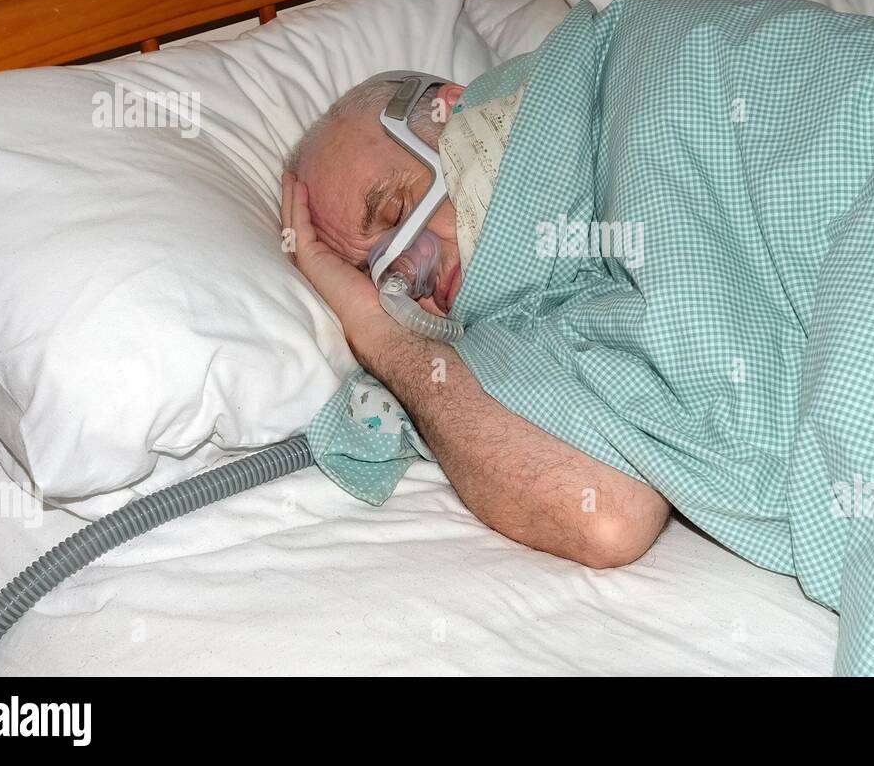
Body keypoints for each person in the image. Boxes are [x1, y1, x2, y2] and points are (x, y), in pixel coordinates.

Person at [280, 75, 671, 569]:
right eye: (382, 272)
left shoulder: (628, 99)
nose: (412, 266)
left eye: (397, 208)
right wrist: (374, 329)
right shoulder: (529, 333)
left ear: (453, 112)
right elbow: (608, 514)